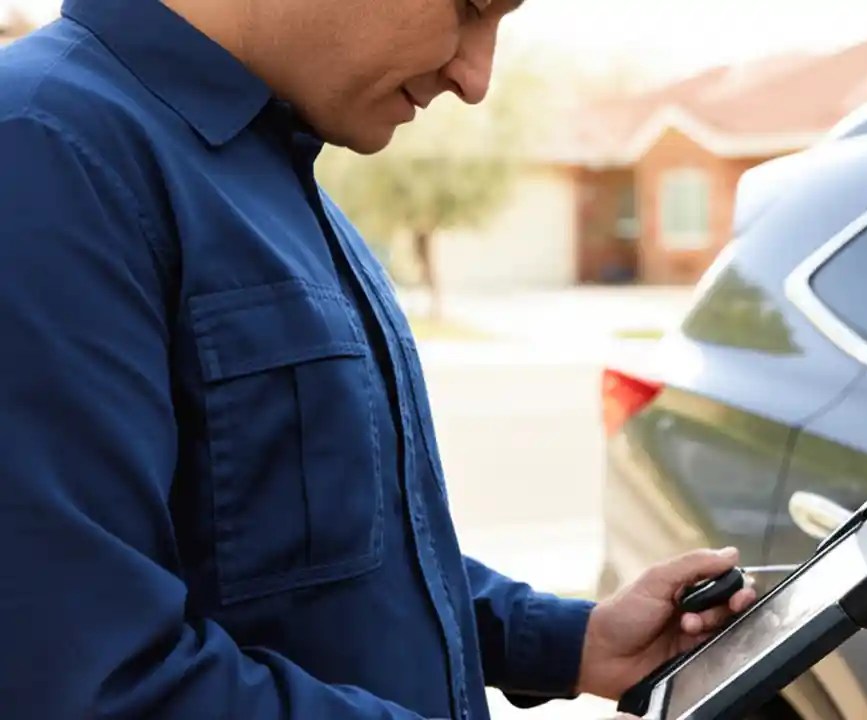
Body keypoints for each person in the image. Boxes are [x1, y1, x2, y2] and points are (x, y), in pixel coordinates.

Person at [0, 1, 756, 718]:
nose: (475, 77)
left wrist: (572, 644)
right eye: (469, 8)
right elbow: (86, 683)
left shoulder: (271, 175)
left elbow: (320, 560)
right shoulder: (44, 151)